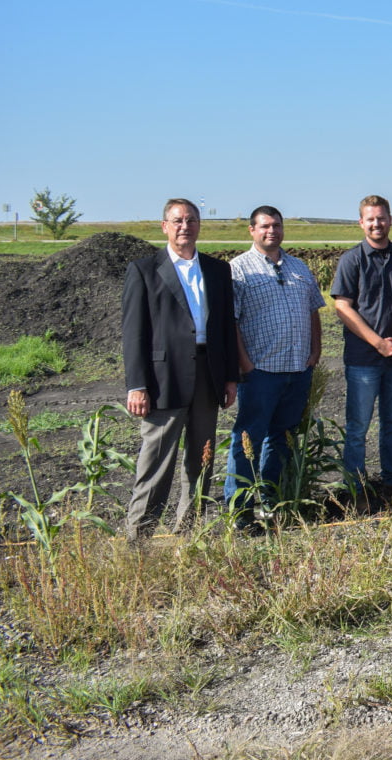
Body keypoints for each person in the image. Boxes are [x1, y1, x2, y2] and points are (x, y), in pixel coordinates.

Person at [121, 199, 239, 540]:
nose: (184, 226)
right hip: (163, 381)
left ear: (199, 225)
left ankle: (188, 534)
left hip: (208, 375)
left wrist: (230, 376)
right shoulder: (144, 270)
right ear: (164, 226)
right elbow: (133, 333)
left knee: (200, 461)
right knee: (156, 462)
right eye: (177, 221)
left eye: (190, 220)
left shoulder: (218, 271)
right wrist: (137, 385)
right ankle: (138, 537)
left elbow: (225, 328)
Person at [226, 205, 326, 519]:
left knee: (280, 440)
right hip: (261, 371)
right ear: (252, 230)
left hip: (297, 369)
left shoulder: (298, 267)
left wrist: (315, 352)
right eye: (265, 226)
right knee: (248, 439)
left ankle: (273, 502)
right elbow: (232, 322)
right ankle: (239, 510)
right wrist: (246, 365)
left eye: (277, 226)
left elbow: (313, 311)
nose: (272, 231)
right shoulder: (239, 269)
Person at [331, 195, 392, 504]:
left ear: (390, 220)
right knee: (357, 427)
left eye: (381, 218)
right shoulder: (352, 260)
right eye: (370, 219)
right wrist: (377, 342)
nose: (377, 223)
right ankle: (356, 489)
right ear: (361, 223)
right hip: (364, 359)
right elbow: (343, 307)